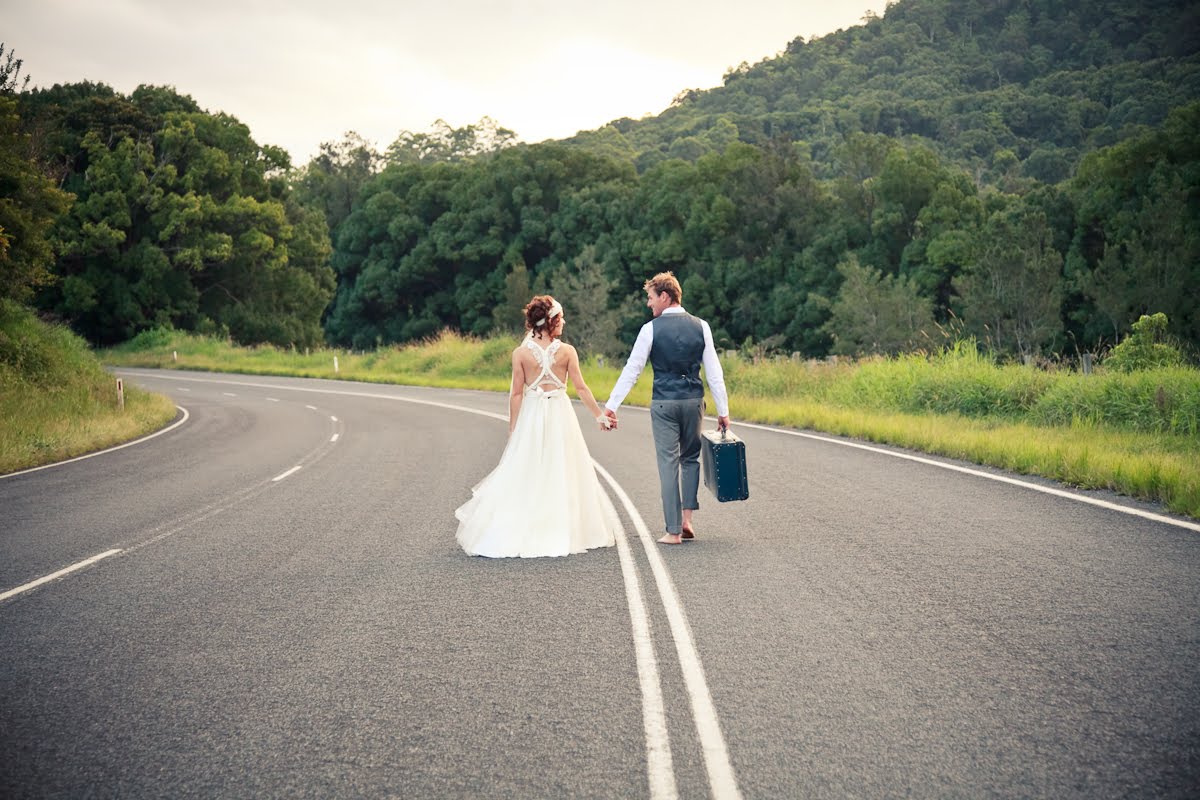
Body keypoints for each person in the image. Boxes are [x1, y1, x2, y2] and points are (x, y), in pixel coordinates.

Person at [455, 295, 620, 558]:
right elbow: (580, 387)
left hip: (532, 414)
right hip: (559, 413)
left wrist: (514, 429)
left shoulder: (520, 353)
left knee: (530, 467)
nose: (564, 322)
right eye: (561, 318)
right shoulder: (567, 351)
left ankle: (532, 525)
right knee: (560, 466)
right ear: (551, 321)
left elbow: (517, 394)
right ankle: (559, 526)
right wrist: (598, 415)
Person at [603, 272, 730, 545]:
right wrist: (723, 411)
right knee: (690, 459)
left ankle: (673, 531)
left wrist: (612, 405)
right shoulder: (702, 326)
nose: (649, 304)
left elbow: (632, 370)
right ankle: (687, 521)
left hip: (664, 403)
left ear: (665, 296)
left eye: (651, 298)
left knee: (668, 464)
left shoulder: (650, 329)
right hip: (693, 401)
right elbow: (714, 372)